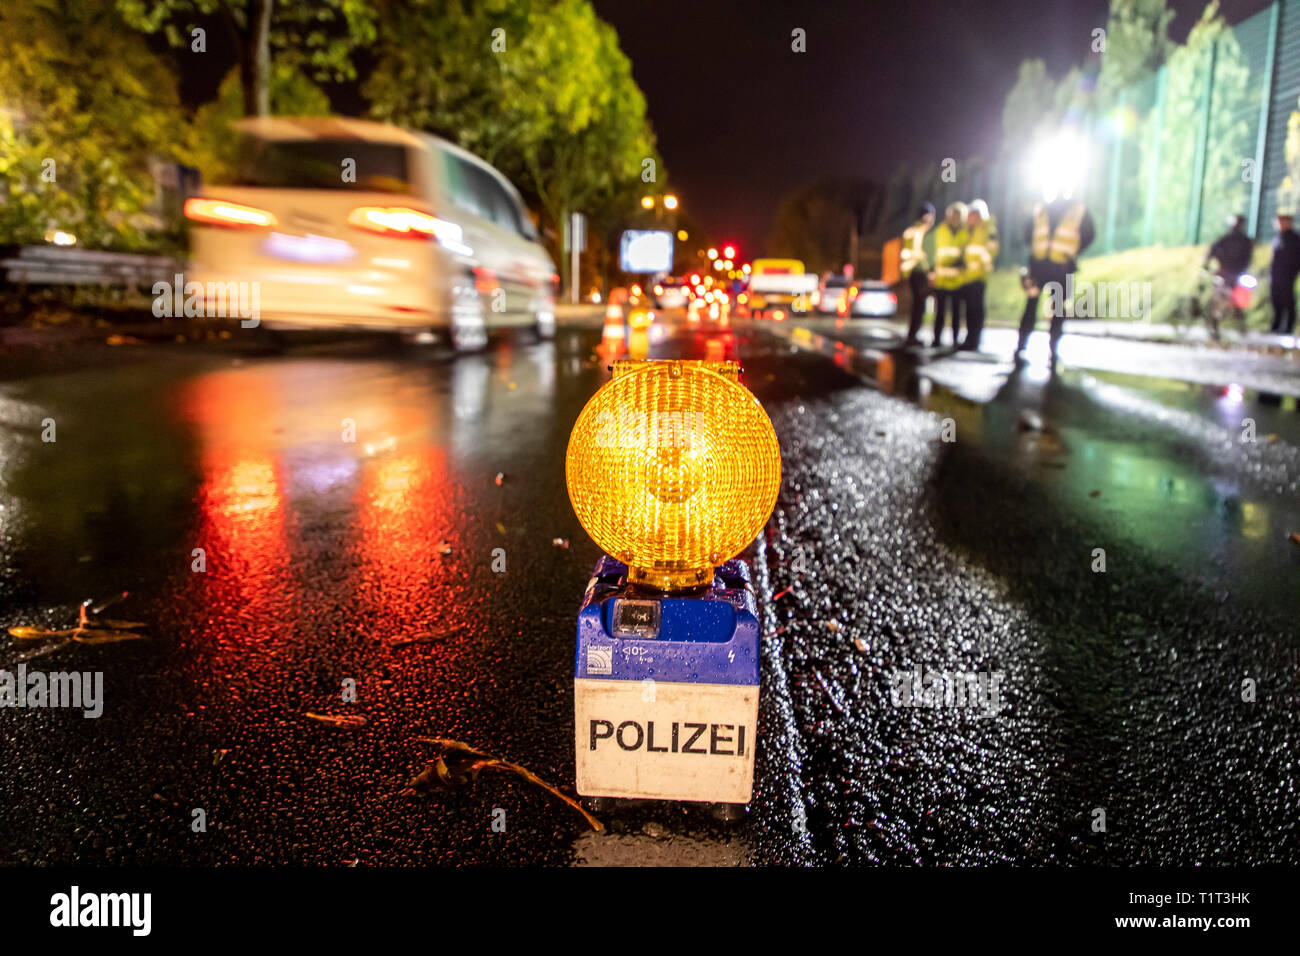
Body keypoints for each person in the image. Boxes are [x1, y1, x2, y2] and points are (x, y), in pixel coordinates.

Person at [1016, 193, 1095, 371]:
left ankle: (1053, 350)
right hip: (1039, 265)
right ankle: (1021, 345)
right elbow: (1028, 234)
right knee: (1031, 306)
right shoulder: (1040, 209)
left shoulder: (1078, 210)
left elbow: (1089, 234)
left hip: (1062, 266)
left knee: (1057, 310)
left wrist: (1073, 251)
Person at [958, 199, 998, 351]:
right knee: (968, 310)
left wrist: (983, 264)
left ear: (979, 216)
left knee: (976, 310)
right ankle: (969, 338)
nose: (969, 218)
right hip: (967, 276)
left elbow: (992, 250)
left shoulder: (988, 230)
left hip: (979, 277)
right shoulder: (968, 231)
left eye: (972, 215)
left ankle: (975, 340)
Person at [931, 202, 968, 347]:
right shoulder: (940, 231)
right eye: (953, 215)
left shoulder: (965, 233)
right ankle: (936, 339)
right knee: (939, 313)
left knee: (956, 313)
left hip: (958, 280)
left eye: (958, 216)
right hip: (942, 280)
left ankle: (955, 340)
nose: (955, 218)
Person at [901, 203, 935, 346]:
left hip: (912, 272)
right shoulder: (924, 232)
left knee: (918, 306)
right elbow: (926, 256)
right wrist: (931, 273)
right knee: (919, 306)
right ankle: (912, 336)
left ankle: (912, 335)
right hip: (920, 273)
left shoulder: (910, 231)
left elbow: (905, 252)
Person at [1269, 212, 1300, 335]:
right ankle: (1276, 325)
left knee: (1288, 300)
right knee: (1276, 300)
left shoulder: (1294, 239)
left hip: (1287, 275)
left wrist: (1293, 272)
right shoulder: (1278, 237)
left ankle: (1288, 327)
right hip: (1276, 275)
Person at [1205, 214, 1253, 283]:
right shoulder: (1225, 239)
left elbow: (1248, 257)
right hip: (1224, 273)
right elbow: (1212, 251)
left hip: (1239, 274)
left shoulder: (1246, 242)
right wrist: (1206, 264)